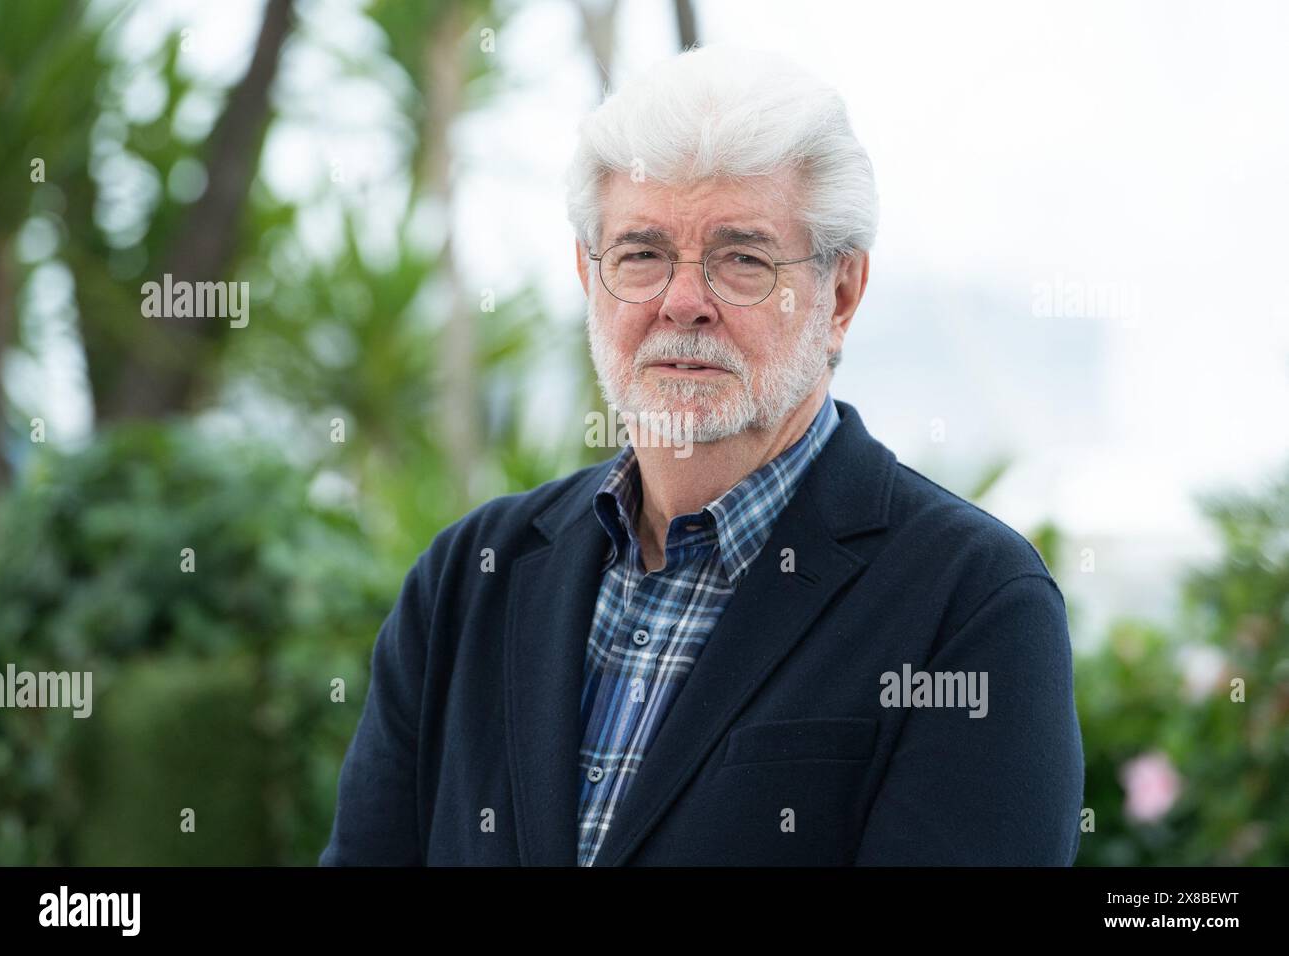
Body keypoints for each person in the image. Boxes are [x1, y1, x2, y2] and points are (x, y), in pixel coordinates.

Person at [320, 43, 1084, 866]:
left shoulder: (972, 605)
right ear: (588, 274)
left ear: (842, 295)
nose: (683, 303)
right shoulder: (467, 579)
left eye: (742, 259)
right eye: (642, 254)